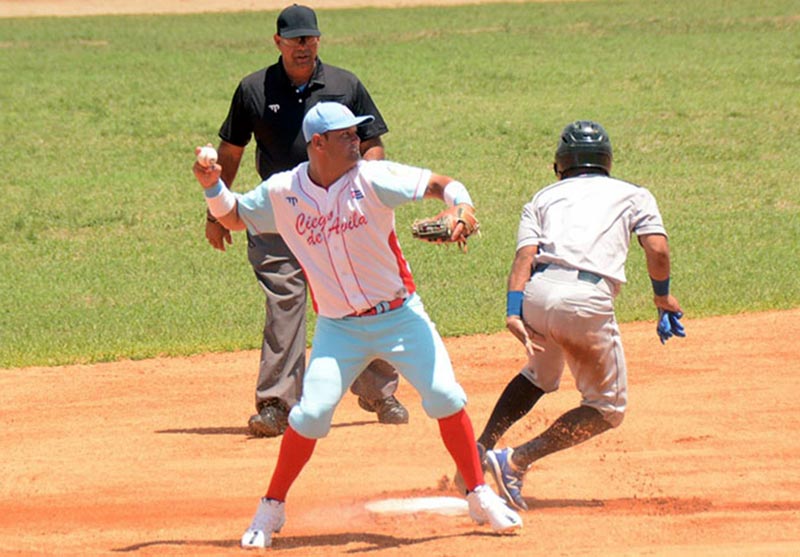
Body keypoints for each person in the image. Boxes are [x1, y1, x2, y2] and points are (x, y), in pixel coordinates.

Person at [193, 102, 523, 548]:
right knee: (310, 414)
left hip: (400, 316)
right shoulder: (283, 191)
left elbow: (442, 184)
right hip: (338, 328)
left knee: (445, 395)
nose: (357, 141)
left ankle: (479, 495)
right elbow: (232, 216)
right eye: (347, 135)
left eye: (357, 133)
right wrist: (212, 186)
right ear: (318, 143)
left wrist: (460, 207)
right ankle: (271, 508)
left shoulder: (371, 178)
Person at [206, 4, 408, 437]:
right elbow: (232, 151)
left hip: (338, 215)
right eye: (296, 39)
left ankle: (379, 391)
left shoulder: (343, 84)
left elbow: (372, 144)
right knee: (285, 302)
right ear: (277, 41)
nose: (304, 46)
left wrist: (366, 189)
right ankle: (277, 404)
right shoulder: (254, 89)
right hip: (278, 215)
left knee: (358, 296)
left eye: (310, 38)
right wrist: (218, 212)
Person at [474, 120, 685, 511]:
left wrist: (512, 311)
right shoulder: (634, 195)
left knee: (539, 374)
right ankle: (514, 460)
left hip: (536, 295)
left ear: (560, 165)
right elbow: (657, 250)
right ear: (607, 162)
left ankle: (479, 449)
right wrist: (662, 298)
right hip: (584, 303)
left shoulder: (542, 197)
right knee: (607, 408)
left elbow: (525, 257)